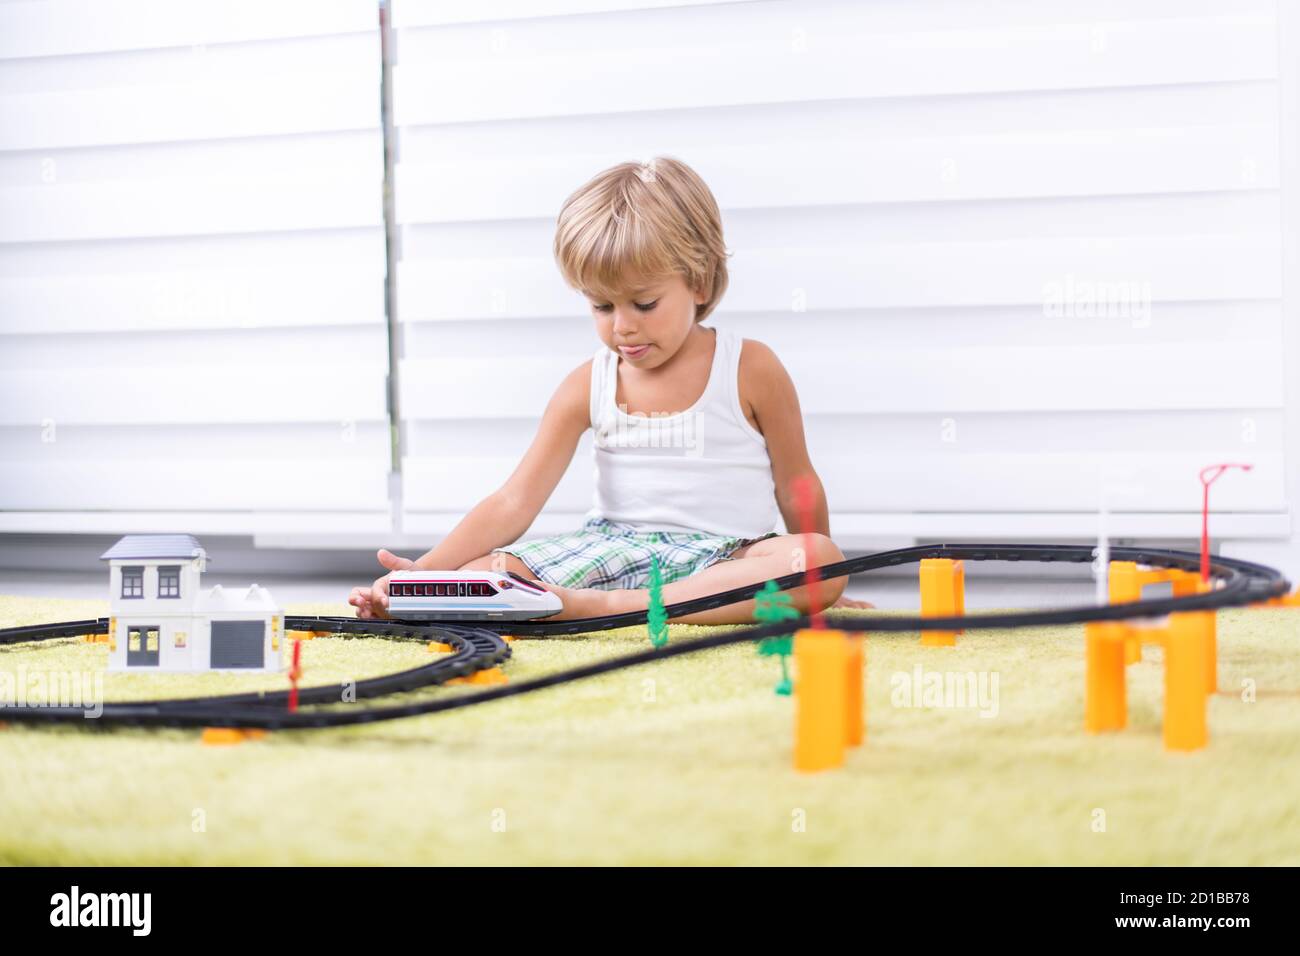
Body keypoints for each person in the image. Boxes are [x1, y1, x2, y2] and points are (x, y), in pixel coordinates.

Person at [350, 156, 871, 624]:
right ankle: (577, 602)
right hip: (608, 549)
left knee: (820, 562)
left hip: (723, 559)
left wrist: (828, 586)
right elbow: (513, 502)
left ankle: (604, 611)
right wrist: (422, 575)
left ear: (701, 283)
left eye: (643, 305)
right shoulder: (588, 383)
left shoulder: (751, 367)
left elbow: (797, 483)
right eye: (602, 306)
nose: (622, 326)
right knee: (486, 571)